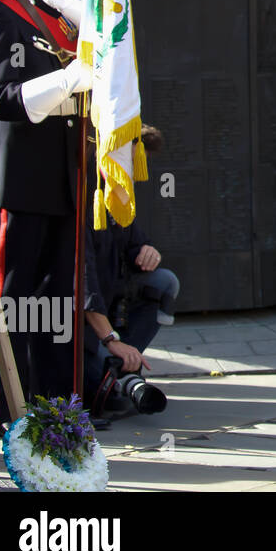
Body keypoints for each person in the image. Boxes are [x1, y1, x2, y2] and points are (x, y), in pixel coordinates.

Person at [0, 0, 92, 434]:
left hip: (63, 176)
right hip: (21, 177)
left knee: (57, 305)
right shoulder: (1, 13)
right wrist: (68, 78)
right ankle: (5, 410)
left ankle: (54, 410)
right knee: (15, 301)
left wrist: (77, 10)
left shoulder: (61, 17)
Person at [83, 125, 175, 420]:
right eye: (133, 163)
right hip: (78, 320)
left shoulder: (121, 196)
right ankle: (115, 369)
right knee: (94, 377)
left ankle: (122, 366)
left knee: (164, 282)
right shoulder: (87, 198)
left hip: (111, 302)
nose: (137, 174)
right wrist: (112, 340)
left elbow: (133, 243)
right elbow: (83, 285)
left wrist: (148, 251)